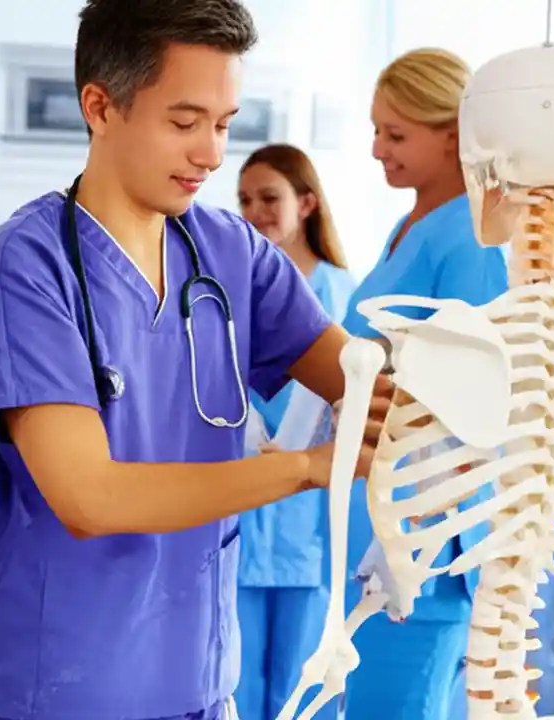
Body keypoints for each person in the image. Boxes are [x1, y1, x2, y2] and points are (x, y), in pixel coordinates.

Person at [0, 2, 392, 719]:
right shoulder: (26, 264)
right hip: (60, 691)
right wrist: (306, 468)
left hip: (197, 687)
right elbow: (90, 498)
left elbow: (364, 383)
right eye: (184, 123)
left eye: (224, 124)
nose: (212, 155)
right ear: (100, 105)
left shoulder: (233, 255)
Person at [338, 48, 508, 720]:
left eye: (396, 133)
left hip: (422, 541)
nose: (378, 149)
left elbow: (474, 407)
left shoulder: (471, 241)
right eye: (376, 130)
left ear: (453, 134)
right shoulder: (408, 228)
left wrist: (419, 537)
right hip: (379, 518)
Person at [233, 143, 357, 720]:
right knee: (234, 680)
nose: (254, 211)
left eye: (269, 198)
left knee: (299, 687)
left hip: (311, 527)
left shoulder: (344, 295)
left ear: (307, 203)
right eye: (244, 200)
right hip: (240, 514)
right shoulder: (229, 295)